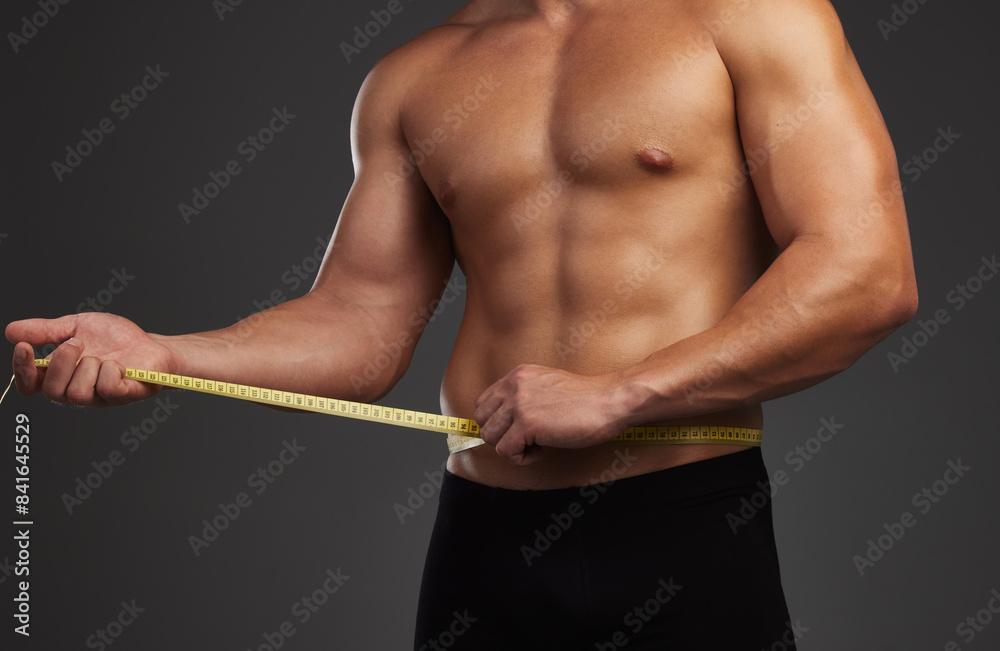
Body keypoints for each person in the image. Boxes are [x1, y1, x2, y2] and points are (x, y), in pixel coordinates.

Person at [7, 0, 917, 648]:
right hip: (485, 547)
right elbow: (357, 323)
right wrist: (164, 351)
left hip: (679, 527)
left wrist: (623, 392)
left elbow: (866, 272)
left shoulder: (751, 16)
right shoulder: (416, 75)